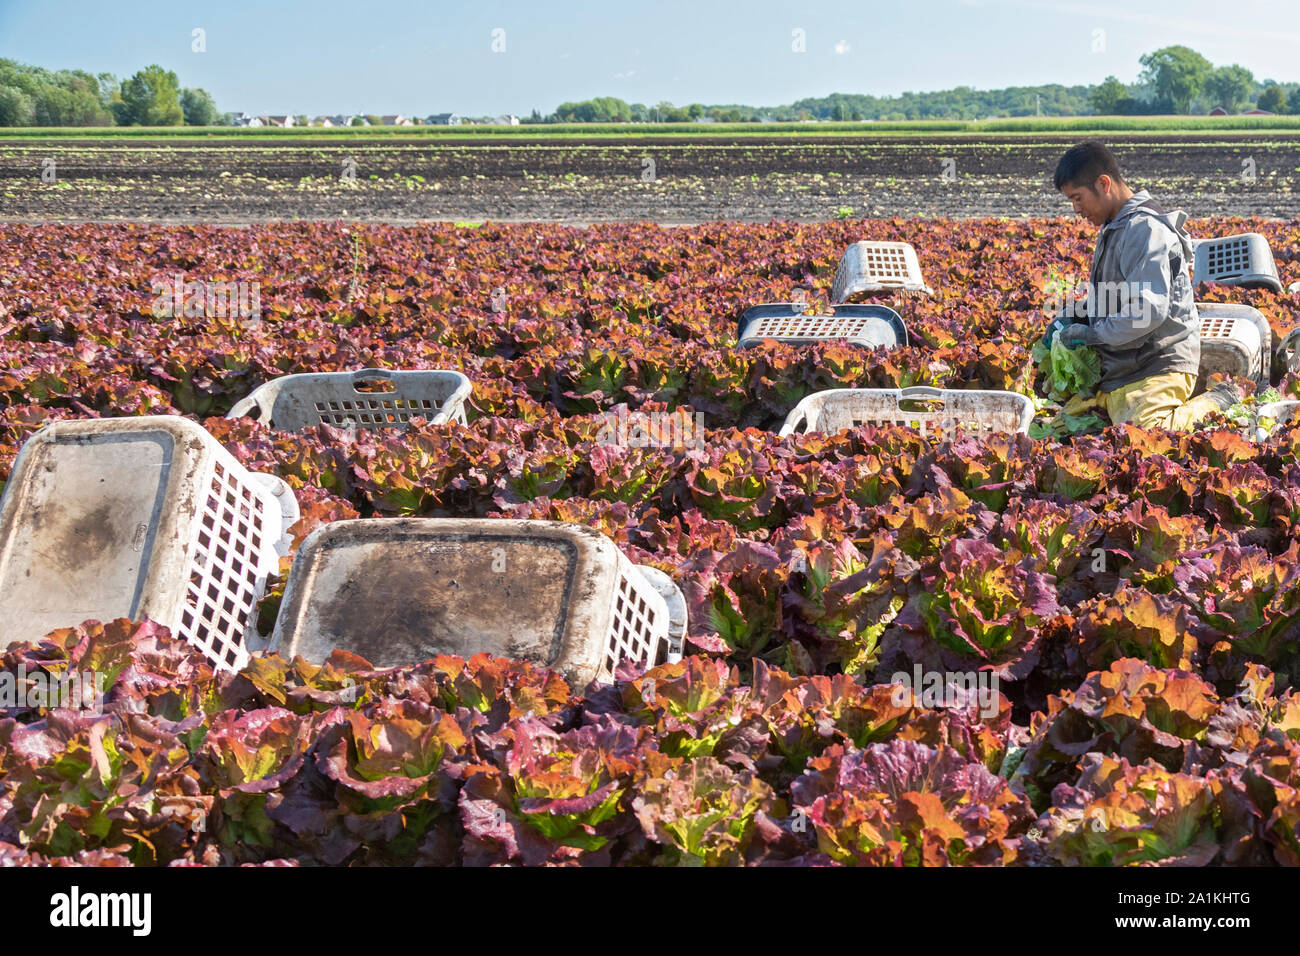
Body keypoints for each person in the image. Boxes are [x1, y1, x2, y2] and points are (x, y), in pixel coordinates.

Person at [1041, 141, 1240, 431]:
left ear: (1103, 183)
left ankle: (1219, 400)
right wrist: (1073, 316)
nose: (1076, 209)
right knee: (1058, 431)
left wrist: (1092, 334)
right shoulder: (1115, 227)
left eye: (1078, 198)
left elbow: (1147, 311)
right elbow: (1113, 297)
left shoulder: (1145, 229)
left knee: (1145, 435)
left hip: (1157, 366)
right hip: (1121, 370)